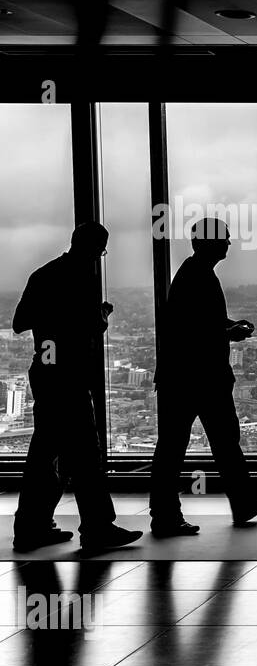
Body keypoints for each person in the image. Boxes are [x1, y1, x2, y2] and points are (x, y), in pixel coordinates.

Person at [11, 222, 142, 551]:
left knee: (44, 455)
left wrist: (51, 318)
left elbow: (19, 323)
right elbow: (91, 327)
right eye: (102, 251)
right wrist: (101, 313)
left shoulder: (43, 275)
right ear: (96, 249)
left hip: (44, 374)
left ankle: (31, 527)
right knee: (85, 455)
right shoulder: (84, 277)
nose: (100, 257)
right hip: (70, 377)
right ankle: (97, 527)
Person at [149, 218, 257, 536]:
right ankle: (239, 502)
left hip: (184, 378)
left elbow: (194, 325)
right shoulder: (199, 275)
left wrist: (228, 326)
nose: (228, 243)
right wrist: (230, 331)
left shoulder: (192, 273)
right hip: (201, 378)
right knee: (217, 442)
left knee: (180, 446)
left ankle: (173, 513)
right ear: (209, 243)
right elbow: (198, 330)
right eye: (224, 238)